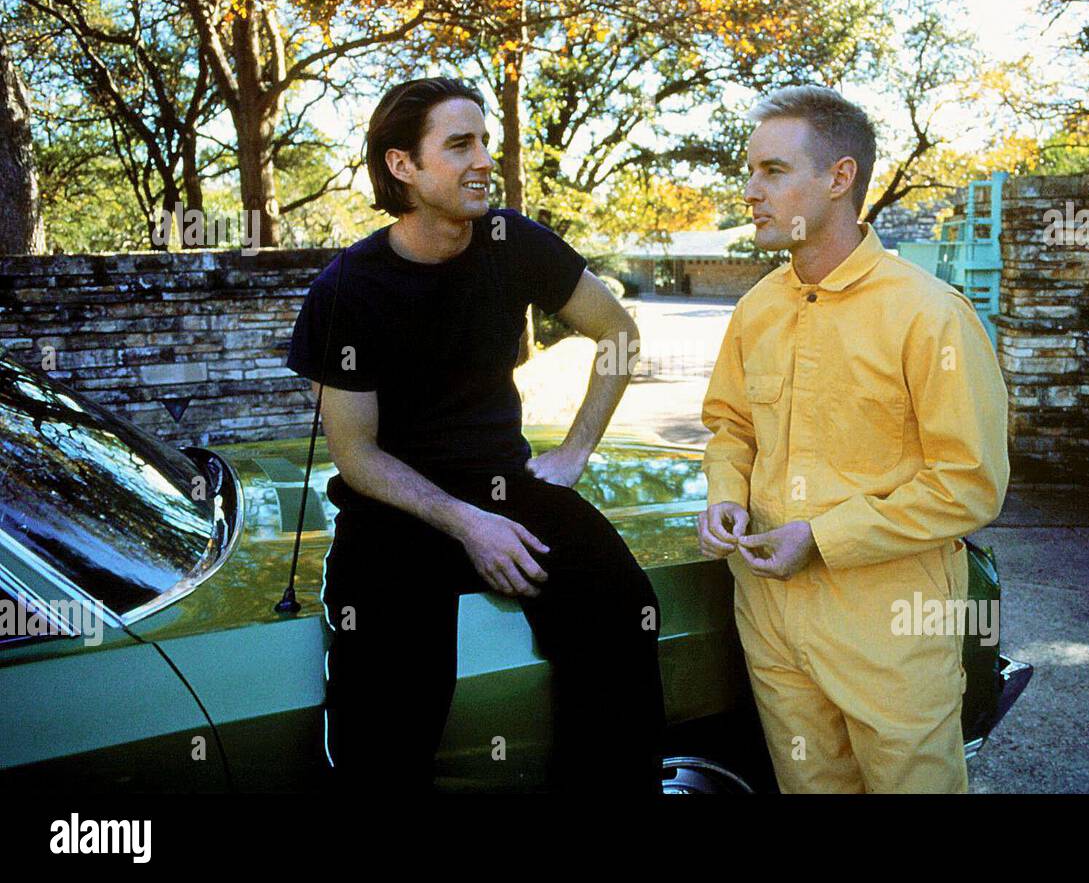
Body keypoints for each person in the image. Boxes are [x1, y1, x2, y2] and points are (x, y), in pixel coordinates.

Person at [286, 76, 664, 793]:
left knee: (624, 615)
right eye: (459, 144)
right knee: (386, 716)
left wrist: (576, 449)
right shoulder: (347, 288)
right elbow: (356, 455)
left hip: (506, 485)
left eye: (484, 140)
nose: (484, 158)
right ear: (403, 166)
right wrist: (468, 524)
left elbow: (617, 330)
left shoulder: (512, 241)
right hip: (394, 509)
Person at [697, 84, 1009, 793]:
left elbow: (970, 483)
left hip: (889, 626)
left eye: (773, 171)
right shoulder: (755, 308)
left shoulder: (930, 316)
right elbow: (731, 426)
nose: (750, 191)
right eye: (751, 171)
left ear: (840, 178)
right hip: (771, 615)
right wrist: (724, 495)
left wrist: (824, 536)